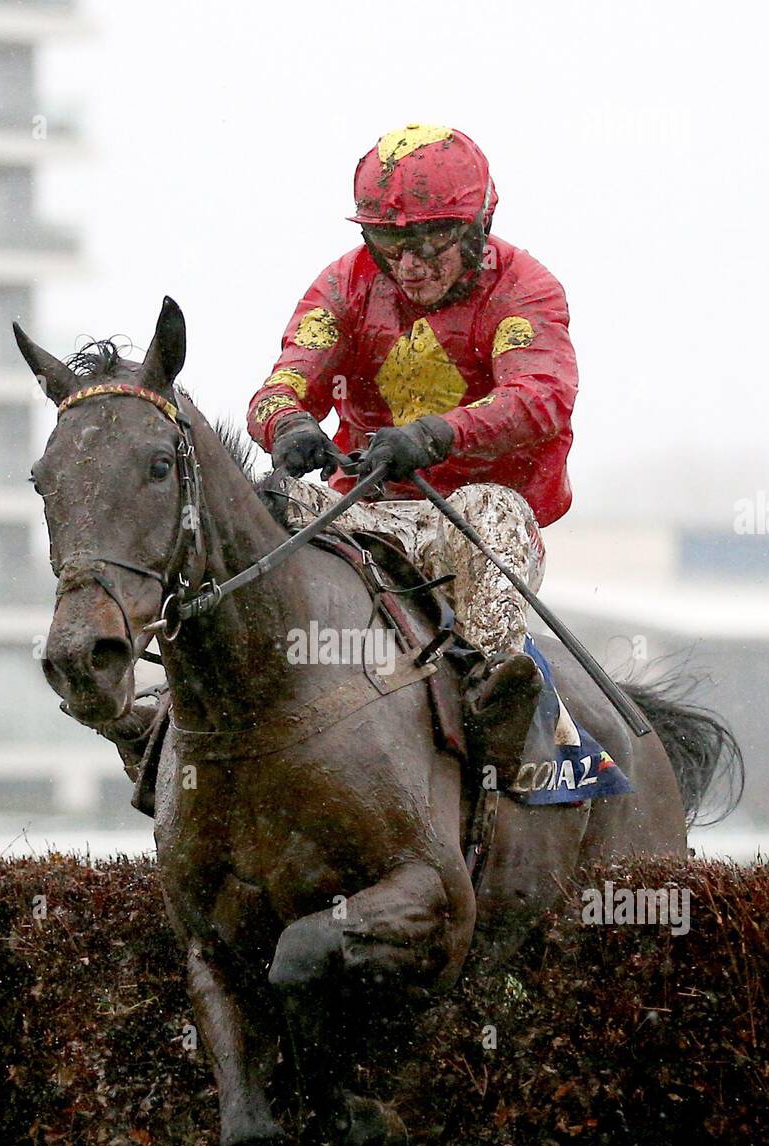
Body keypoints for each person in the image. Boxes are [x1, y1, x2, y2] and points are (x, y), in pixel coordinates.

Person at [246, 123, 579, 781]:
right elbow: (277, 386)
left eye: (430, 243)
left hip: (468, 525)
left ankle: (493, 687)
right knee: (267, 502)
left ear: (480, 229)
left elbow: (542, 395)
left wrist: (433, 436)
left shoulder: (524, 290)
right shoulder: (343, 286)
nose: (409, 266)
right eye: (389, 243)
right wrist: (286, 427)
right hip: (363, 518)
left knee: (490, 506)